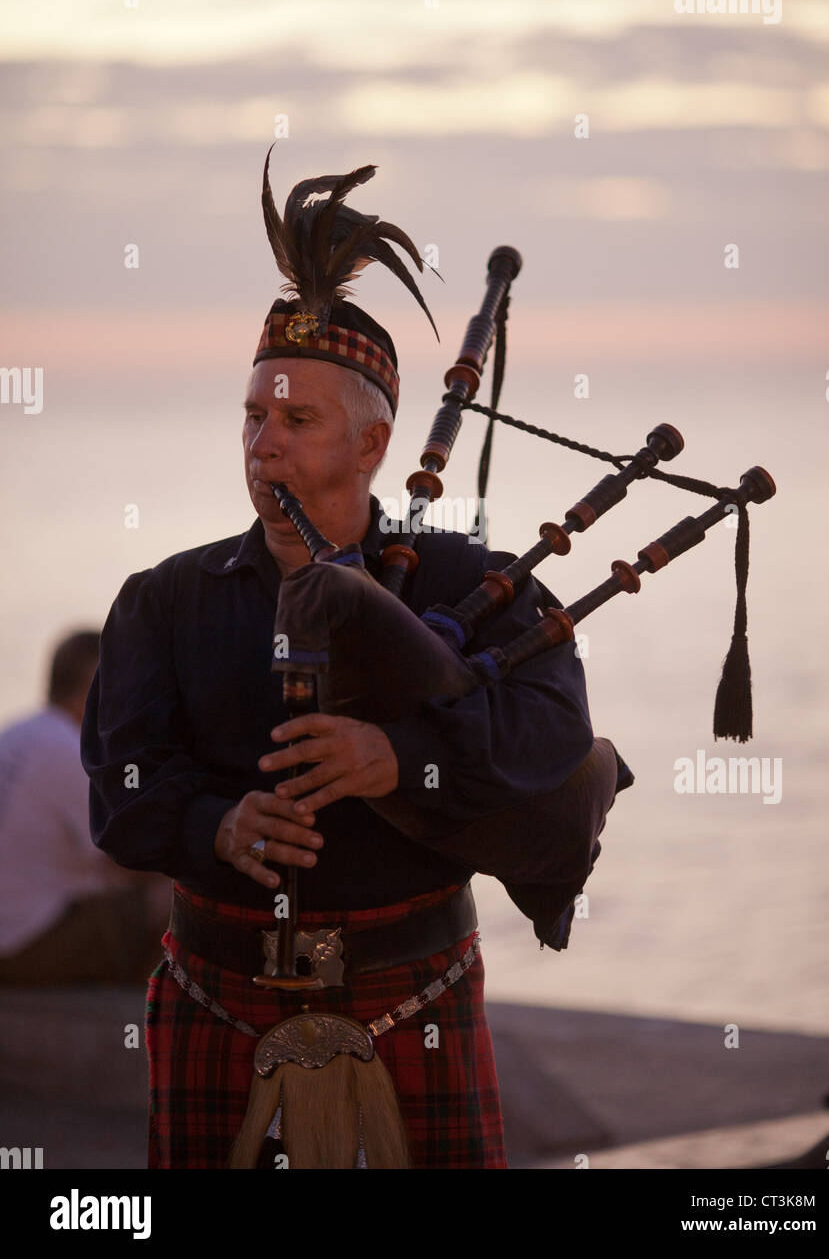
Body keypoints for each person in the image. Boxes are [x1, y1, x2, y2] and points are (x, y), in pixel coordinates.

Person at [80, 157, 602, 1169]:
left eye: (296, 421)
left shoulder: (468, 586)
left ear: (371, 444)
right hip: (212, 991)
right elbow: (121, 790)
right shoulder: (164, 600)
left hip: (413, 989)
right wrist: (213, 823)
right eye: (252, 417)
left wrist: (398, 756)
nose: (263, 445)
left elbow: (551, 735)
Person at [0, 631, 167, 984]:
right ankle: (145, 1020)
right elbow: (126, 860)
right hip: (23, 943)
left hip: (15, 926)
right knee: (177, 899)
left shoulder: (17, 735)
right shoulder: (70, 751)